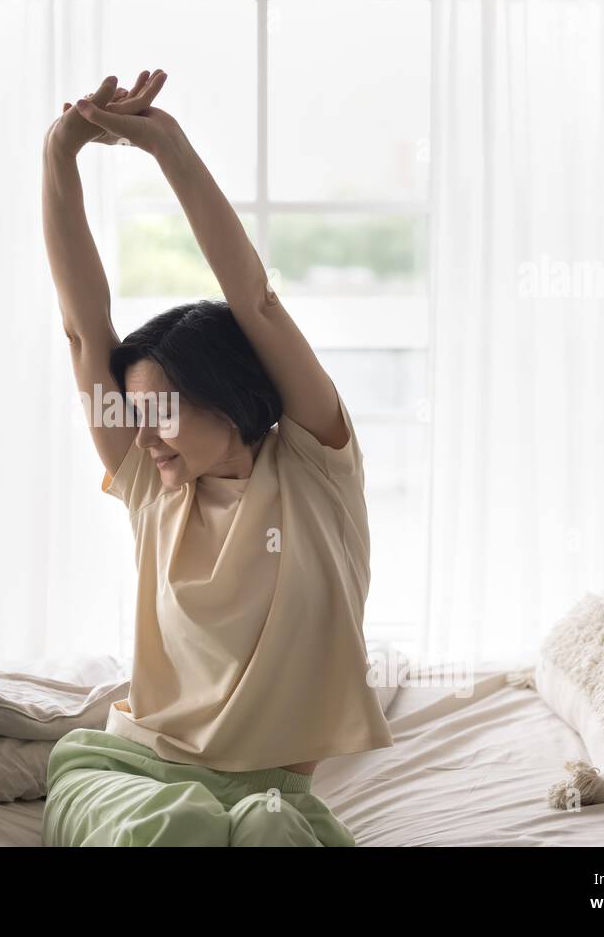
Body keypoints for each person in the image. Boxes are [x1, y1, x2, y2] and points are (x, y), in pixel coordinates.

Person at [39, 71, 393, 846]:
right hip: (129, 772)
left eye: (160, 412)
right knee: (169, 824)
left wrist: (168, 148)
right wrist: (60, 156)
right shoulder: (152, 485)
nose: (141, 434)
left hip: (273, 792)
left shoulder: (314, 467)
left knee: (266, 830)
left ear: (227, 399)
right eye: (133, 416)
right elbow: (81, 329)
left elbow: (256, 300)